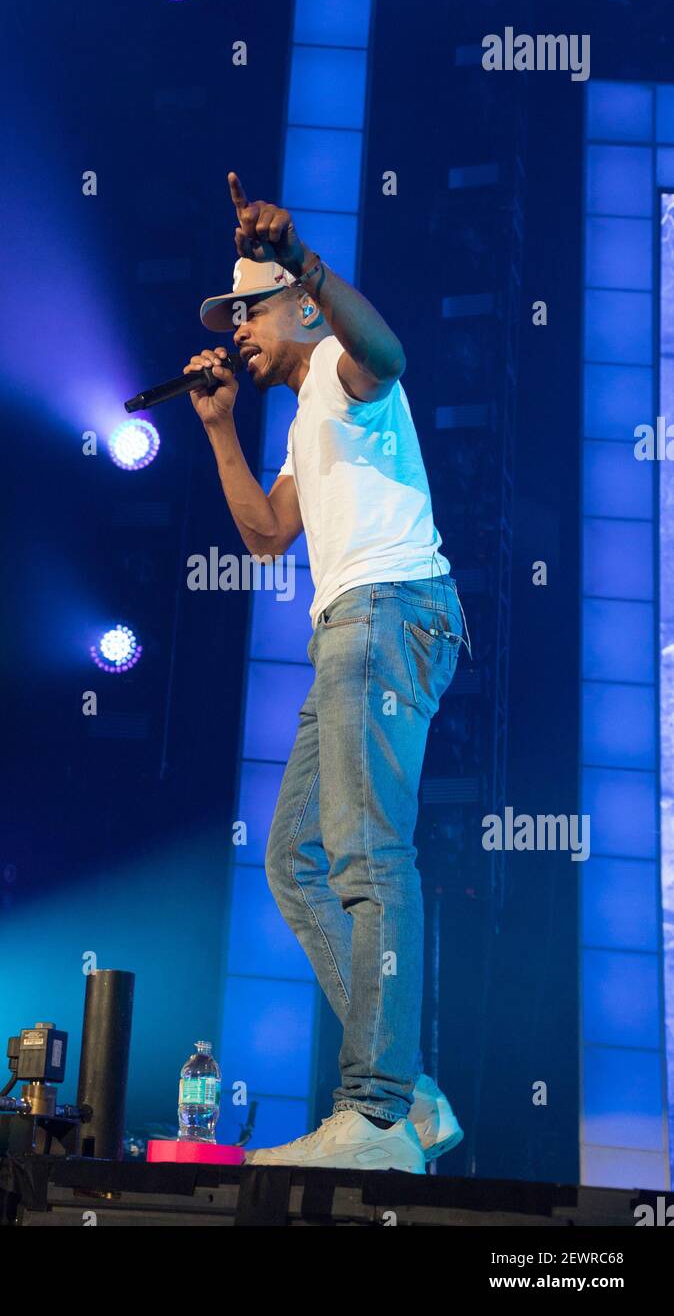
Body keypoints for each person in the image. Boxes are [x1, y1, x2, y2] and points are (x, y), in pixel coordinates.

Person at [184, 173, 469, 1171]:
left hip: (387, 612)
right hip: (346, 629)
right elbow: (265, 534)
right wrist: (220, 427)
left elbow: (389, 352)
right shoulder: (305, 412)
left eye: (247, 312)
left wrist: (303, 257)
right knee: (293, 861)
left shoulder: (343, 372)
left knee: (364, 858)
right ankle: (412, 1097)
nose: (236, 332)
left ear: (299, 304)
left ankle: (377, 1112)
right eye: (231, 318)